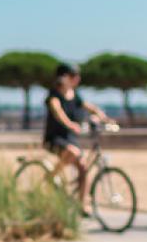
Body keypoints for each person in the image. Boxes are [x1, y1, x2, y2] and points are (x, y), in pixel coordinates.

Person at [43, 63, 110, 203]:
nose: (77, 78)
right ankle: (52, 175)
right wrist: (70, 124)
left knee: (83, 167)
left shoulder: (75, 96)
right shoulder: (54, 96)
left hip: (70, 137)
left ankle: (82, 204)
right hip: (55, 138)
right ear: (63, 77)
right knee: (73, 152)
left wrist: (103, 117)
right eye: (73, 75)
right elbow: (58, 112)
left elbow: (89, 107)